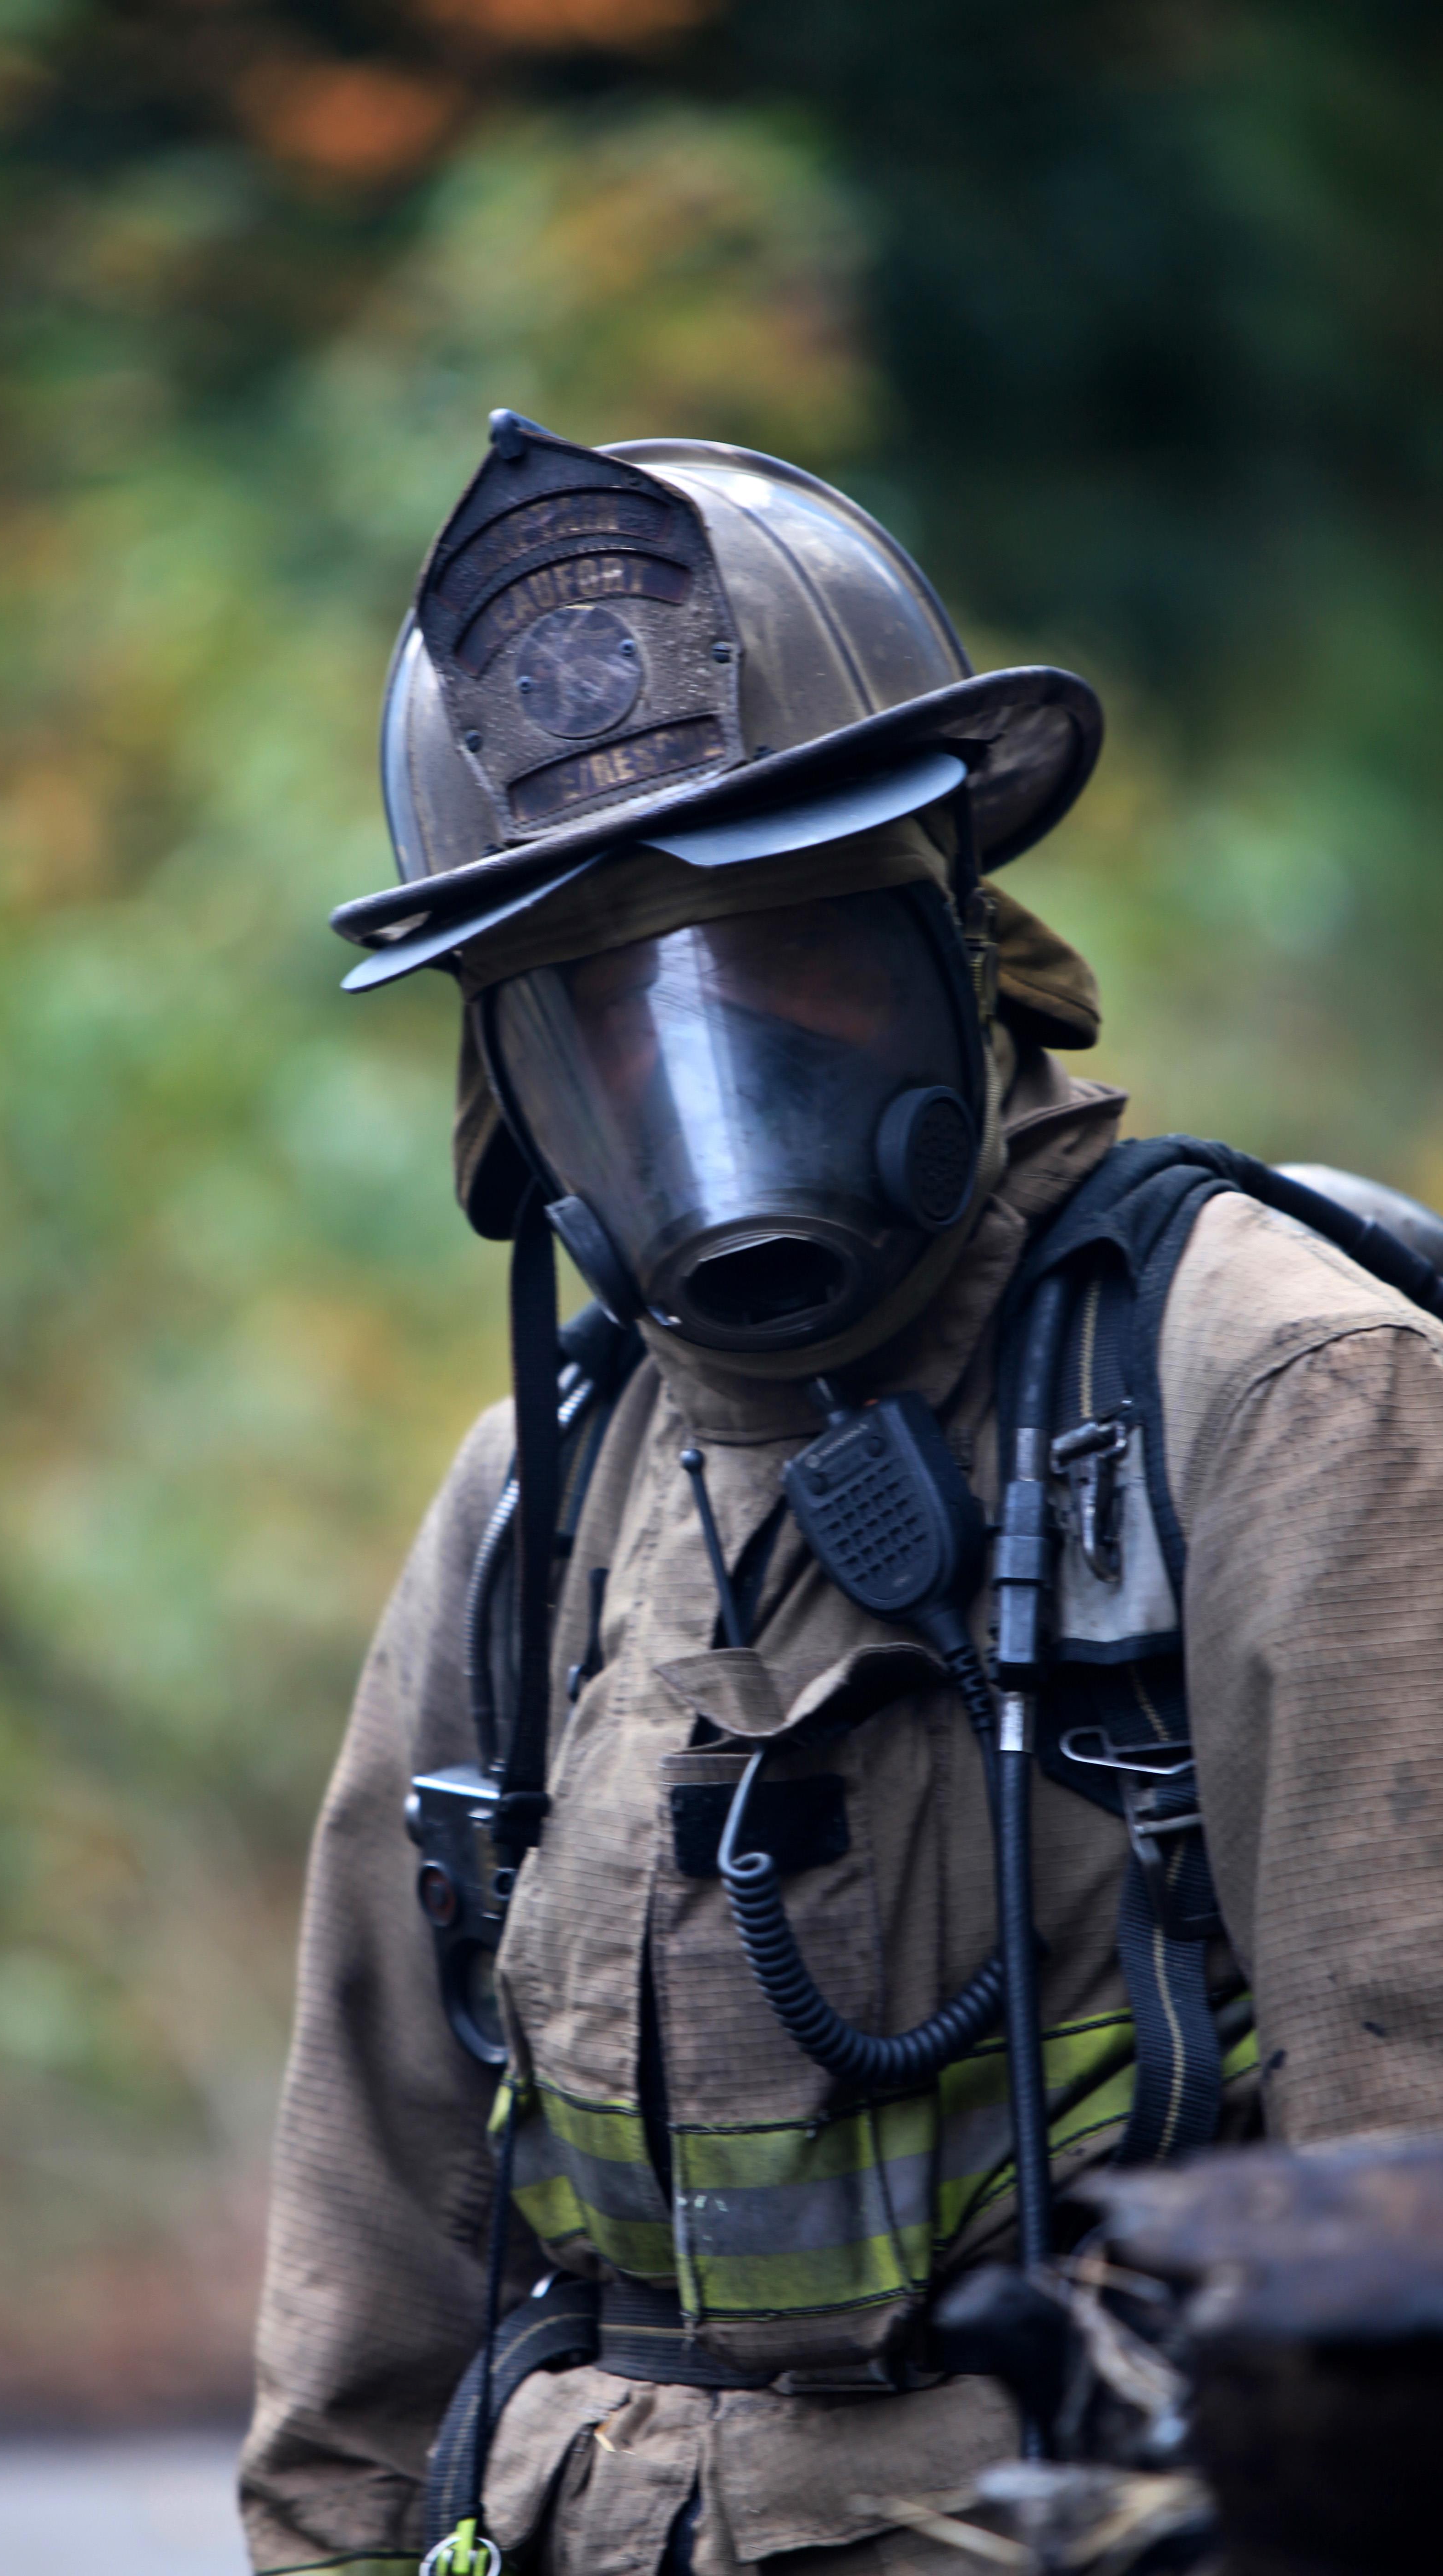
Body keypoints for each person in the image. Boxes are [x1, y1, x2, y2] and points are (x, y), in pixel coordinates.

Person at [239, 417, 1443, 2576]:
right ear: (502, 1089)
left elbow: (1417, 2232)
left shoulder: (1275, 1393)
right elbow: (369, 2277)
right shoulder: (545, 1491)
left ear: (958, 938)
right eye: (604, 1004)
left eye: (790, 947)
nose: (708, 1072)